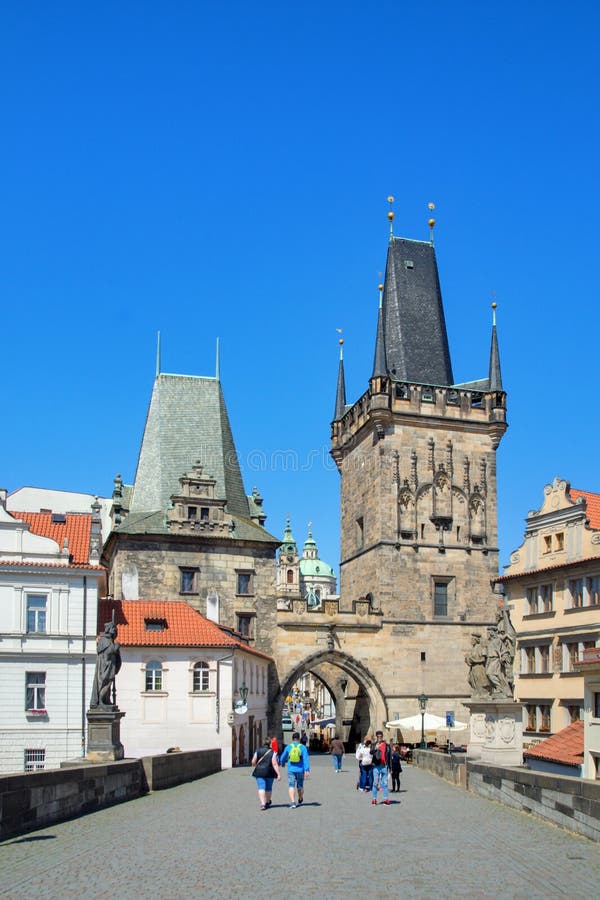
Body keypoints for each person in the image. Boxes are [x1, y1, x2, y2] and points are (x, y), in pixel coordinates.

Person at [90, 621, 121, 708]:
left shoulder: (109, 640)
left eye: (115, 629)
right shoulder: (104, 640)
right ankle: (101, 701)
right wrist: (116, 646)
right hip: (105, 667)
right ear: (109, 629)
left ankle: (106, 700)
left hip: (109, 666)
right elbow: (109, 652)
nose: (115, 630)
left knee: (108, 684)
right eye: (113, 629)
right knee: (104, 683)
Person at [279, 731, 310, 808]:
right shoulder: (303, 747)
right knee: (300, 786)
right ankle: (300, 798)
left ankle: (293, 802)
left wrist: (282, 763)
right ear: (299, 739)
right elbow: (306, 759)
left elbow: (282, 757)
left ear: (292, 739)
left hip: (291, 769)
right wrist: (307, 770)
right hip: (300, 770)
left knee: (291, 785)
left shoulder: (289, 747)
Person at [251, 736, 281, 810]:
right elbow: (274, 763)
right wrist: (278, 774)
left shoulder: (258, 751)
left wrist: (255, 765)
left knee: (261, 787)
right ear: (270, 743)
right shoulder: (273, 752)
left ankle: (262, 804)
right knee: (268, 788)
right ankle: (267, 802)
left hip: (259, 771)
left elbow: (253, 761)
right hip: (269, 771)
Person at [371, 731, 390, 805]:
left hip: (384, 766)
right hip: (376, 766)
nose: (379, 738)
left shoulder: (387, 745)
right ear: (376, 737)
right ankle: (374, 799)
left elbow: (389, 757)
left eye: (381, 736)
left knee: (385, 784)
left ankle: (386, 799)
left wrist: (390, 767)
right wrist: (375, 748)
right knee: (375, 783)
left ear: (382, 737)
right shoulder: (373, 744)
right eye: (378, 736)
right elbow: (371, 752)